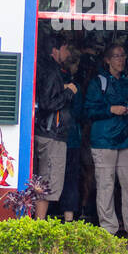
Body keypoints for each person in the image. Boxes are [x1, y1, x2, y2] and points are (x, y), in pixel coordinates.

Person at [84, 41, 128, 237]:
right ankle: (108, 231)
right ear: (107, 60)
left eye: (123, 55)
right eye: (116, 56)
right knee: (106, 187)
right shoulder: (99, 82)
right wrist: (110, 109)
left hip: (127, 140)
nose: (121, 59)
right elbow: (88, 110)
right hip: (104, 141)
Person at [34, 35, 77, 219]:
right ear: (56, 50)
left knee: (48, 180)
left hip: (50, 133)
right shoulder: (52, 71)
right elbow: (47, 103)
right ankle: (40, 225)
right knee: (47, 182)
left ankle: (40, 223)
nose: (68, 53)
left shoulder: (48, 68)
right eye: (66, 49)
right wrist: (69, 92)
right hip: (51, 134)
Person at [55, 46, 83, 221]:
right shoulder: (73, 85)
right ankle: (69, 217)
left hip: (56, 134)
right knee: (70, 176)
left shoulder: (55, 78)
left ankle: (48, 215)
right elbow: (79, 111)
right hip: (70, 137)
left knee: (52, 174)